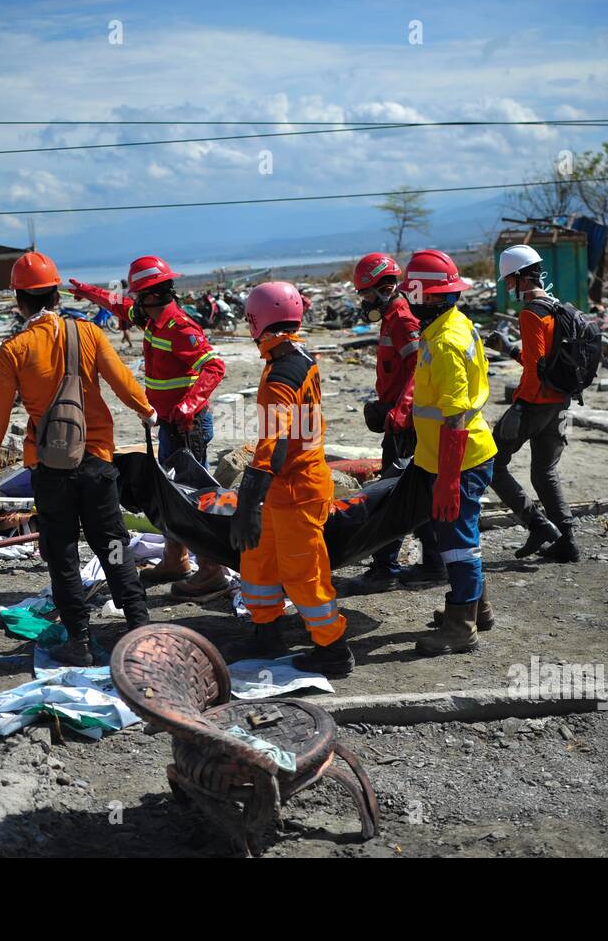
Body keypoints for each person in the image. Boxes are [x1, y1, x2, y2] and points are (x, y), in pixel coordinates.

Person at [0, 251, 157, 666]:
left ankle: (79, 641)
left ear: (19, 299)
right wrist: (146, 410)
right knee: (113, 544)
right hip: (98, 462)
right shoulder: (87, 333)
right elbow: (122, 381)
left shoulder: (14, 349)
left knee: (62, 551)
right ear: (55, 294)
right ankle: (138, 625)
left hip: (50, 470)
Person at [69, 257, 230, 600]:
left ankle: (212, 571)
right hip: (171, 425)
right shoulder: (154, 321)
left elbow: (214, 367)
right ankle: (176, 558)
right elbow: (119, 305)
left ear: (151, 295)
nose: (135, 301)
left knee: (193, 497)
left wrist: (188, 404)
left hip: (188, 425)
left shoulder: (180, 328)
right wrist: (87, 292)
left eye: (139, 294)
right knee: (171, 493)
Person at [230, 281, 353, 676]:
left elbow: (275, 442)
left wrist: (248, 498)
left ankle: (332, 649)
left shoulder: (283, 371)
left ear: (256, 321)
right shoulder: (295, 356)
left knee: (305, 575)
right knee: (258, 559)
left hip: (297, 489)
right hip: (285, 486)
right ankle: (266, 631)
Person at [399, 250, 498, 657]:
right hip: (447, 455)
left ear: (429, 297)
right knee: (462, 537)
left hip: (459, 458)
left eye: (412, 295)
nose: (408, 301)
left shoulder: (445, 342)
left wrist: (449, 479)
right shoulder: (450, 325)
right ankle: (478, 608)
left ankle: (461, 628)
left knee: (456, 544)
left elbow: (455, 417)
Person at [350, 252, 444, 592]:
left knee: (393, 495)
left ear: (385, 287)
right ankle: (431, 563)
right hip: (401, 417)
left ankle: (385, 568)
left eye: (366, 293)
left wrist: (399, 413)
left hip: (407, 423)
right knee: (416, 491)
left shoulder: (403, 319)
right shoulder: (392, 316)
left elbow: (419, 371)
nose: (364, 300)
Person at [487, 244, 578, 563]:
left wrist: (520, 407)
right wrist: (511, 350)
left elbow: (536, 368)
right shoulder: (558, 309)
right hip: (562, 403)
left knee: (491, 464)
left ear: (522, 280)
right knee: (544, 472)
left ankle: (537, 525)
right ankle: (567, 541)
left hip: (535, 404)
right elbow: (544, 362)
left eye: (509, 282)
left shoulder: (530, 312)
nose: (509, 288)